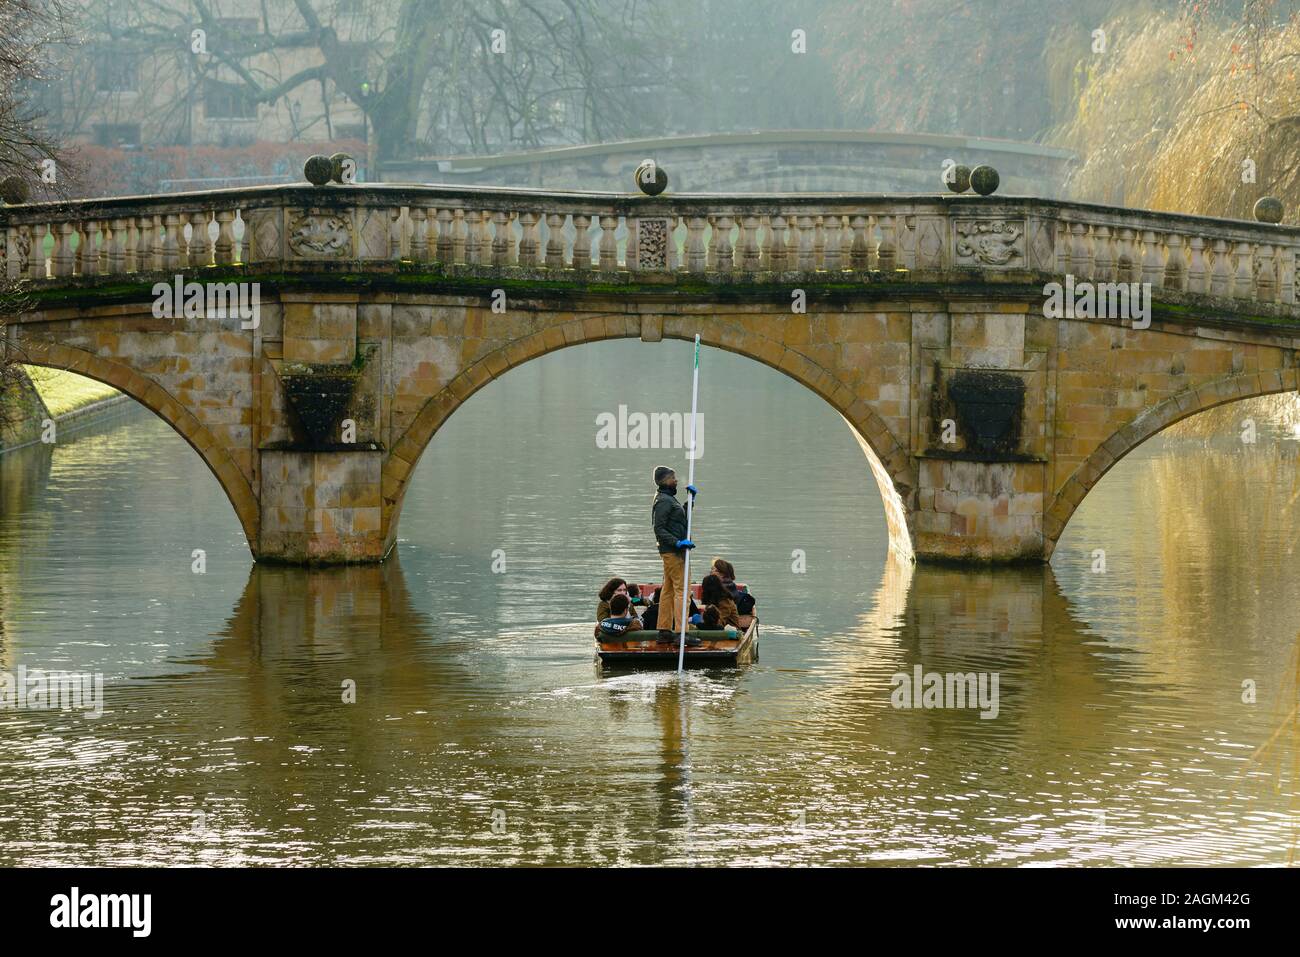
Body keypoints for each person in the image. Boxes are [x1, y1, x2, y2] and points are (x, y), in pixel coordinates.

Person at [651, 465, 698, 644]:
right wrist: (677, 542)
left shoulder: (669, 499)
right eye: (673, 478)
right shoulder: (663, 500)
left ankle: (664, 630)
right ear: (664, 480)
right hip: (674, 552)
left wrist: (689, 502)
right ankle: (681, 632)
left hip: (672, 552)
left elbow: (679, 521)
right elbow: (659, 529)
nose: (676, 480)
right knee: (683, 591)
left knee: (668, 590)